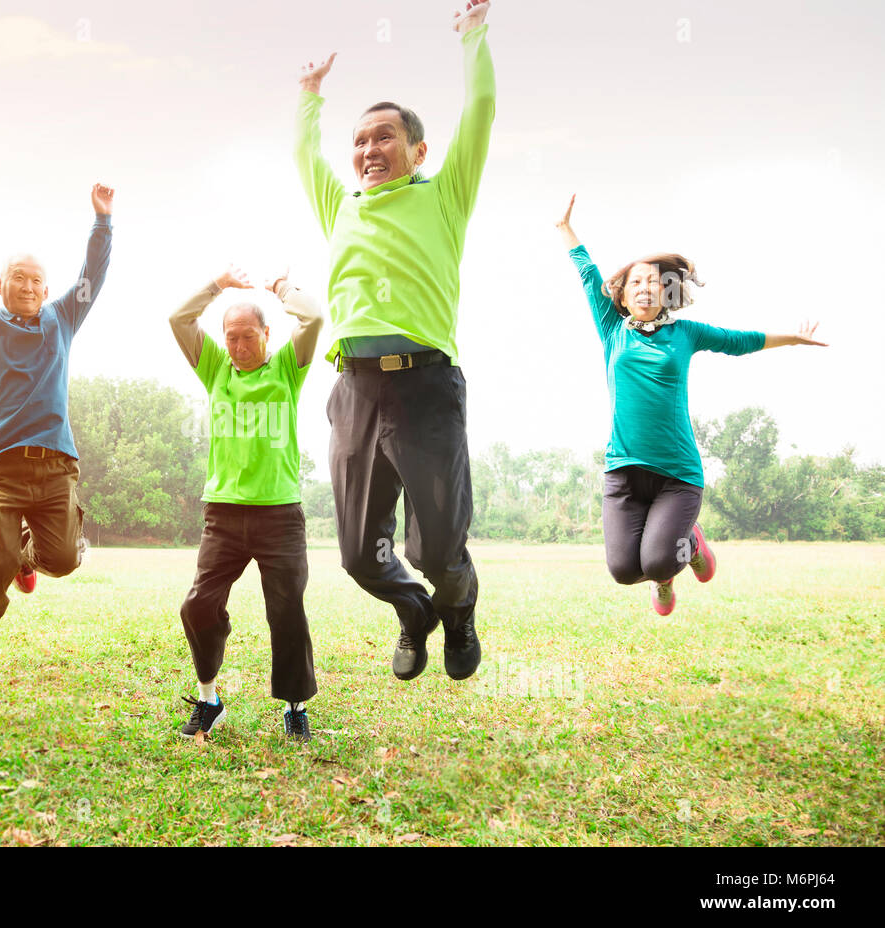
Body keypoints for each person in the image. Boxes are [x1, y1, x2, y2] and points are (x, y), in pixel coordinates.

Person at [293, 0, 495, 682]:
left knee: (437, 546)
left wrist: (473, 37)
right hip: (353, 389)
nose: (369, 150)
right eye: (360, 141)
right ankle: (416, 613)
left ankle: (458, 607)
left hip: (425, 388)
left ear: (417, 151)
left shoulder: (444, 196)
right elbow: (303, 153)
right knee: (357, 554)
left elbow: (481, 112)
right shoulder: (339, 205)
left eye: (384, 137)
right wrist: (310, 97)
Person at [555, 194, 828, 614]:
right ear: (623, 296)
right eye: (636, 282)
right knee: (625, 570)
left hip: (676, 475)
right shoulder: (612, 331)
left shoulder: (685, 333)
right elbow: (589, 274)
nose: (645, 287)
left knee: (660, 560)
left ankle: (691, 545)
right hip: (623, 471)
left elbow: (740, 342)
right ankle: (669, 564)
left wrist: (792, 337)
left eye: (654, 282)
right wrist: (566, 229)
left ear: (667, 292)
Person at [0, 183, 113, 677]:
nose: (29, 287)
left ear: (46, 288)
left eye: (36, 280)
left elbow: (91, 278)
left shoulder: (62, 320)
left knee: (64, 559)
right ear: (0, 284)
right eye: (18, 278)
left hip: (55, 465)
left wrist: (102, 221)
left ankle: (28, 560)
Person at [169, 266, 324, 741]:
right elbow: (178, 319)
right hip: (223, 514)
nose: (238, 346)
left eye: (247, 336)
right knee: (198, 606)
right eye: (231, 337)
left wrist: (279, 288)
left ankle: (295, 708)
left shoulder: (287, 369)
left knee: (286, 610)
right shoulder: (216, 369)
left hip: (280, 515)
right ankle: (209, 699)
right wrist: (217, 286)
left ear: (266, 334)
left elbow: (314, 319)